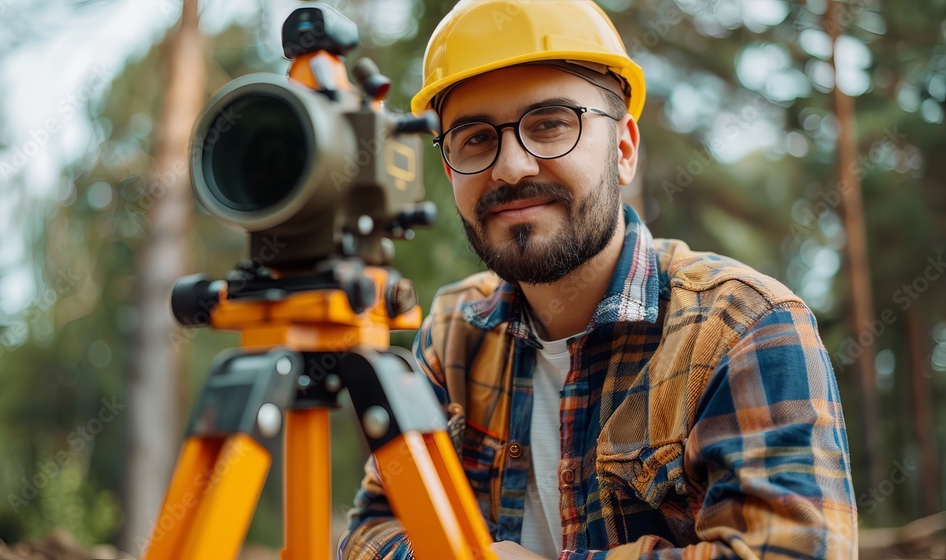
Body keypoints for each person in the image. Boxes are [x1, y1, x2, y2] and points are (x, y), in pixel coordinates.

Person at [340, 0, 858, 558]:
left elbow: (791, 552)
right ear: (448, 170)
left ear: (624, 148)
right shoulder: (449, 335)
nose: (511, 167)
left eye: (550, 125)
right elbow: (372, 532)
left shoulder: (742, 330)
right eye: (476, 138)